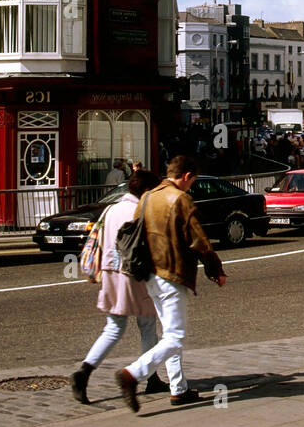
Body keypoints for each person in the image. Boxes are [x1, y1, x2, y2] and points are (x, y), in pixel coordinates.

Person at [115, 156, 227, 410]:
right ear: (186, 176)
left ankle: (179, 388)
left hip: (150, 273)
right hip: (172, 273)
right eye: (193, 181)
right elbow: (199, 240)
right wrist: (215, 270)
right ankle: (132, 374)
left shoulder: (147, 197)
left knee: (169, 333)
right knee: (175, 337)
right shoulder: (180, 199)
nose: (192, 186)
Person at [70, 170, 161, 404]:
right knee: (148, 323)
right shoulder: (140, 210)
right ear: (147, 191)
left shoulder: (111, 209)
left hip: (110, 271)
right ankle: (150, 378)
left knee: (113, 327)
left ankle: (84, 372)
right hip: (133, 273)